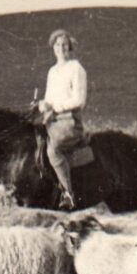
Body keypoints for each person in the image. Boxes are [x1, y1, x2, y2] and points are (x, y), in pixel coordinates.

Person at [34, 29, 87, 209]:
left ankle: (68, 194)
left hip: (69, 121)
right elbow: (49, 98)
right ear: (53, 48)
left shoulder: (76, 68)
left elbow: (79, 100)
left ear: (69, 47)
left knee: (53, 150)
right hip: (52, 119)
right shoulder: (52, 71)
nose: (61, 48)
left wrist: (55, 108)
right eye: (57, 45)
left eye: (65, 45)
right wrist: (43, 105)